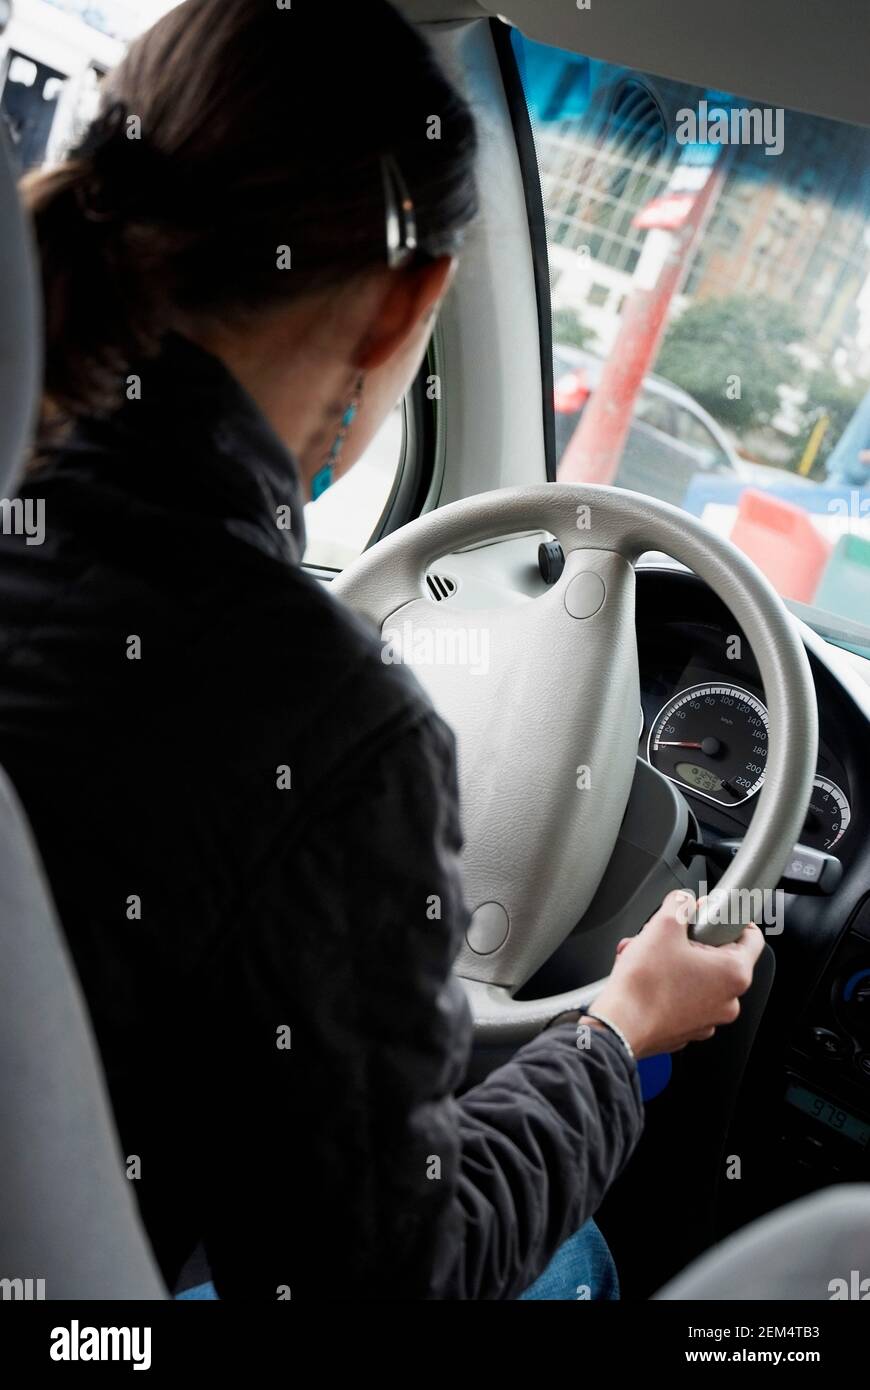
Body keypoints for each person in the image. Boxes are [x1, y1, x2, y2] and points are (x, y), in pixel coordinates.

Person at [0, 0, 764, 1300]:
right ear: (406, 299)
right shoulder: (322, 718)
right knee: (570, 1257)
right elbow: (387, 1276)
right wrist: (619, 1029)